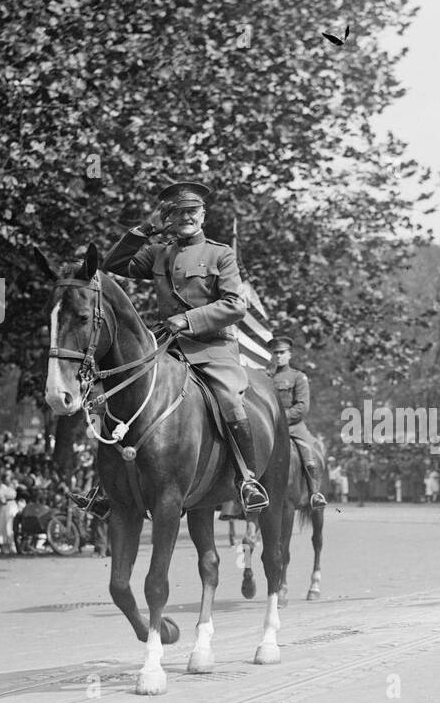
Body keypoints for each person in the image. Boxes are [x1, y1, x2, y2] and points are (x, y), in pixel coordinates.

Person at [101, 178, 268, 513]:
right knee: (114, 397)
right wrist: (147, 228)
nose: (186, 217)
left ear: (203, 215)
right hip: (168, 349)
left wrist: (187, 320)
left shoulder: (220, 254)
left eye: (192, 211)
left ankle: (247, 479)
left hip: (212, 349)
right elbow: (113, 265)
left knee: (230, 402)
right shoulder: (158, 254)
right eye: (177, 212)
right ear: (169, 218)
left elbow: (236, 305)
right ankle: (106, 487)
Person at [267, 334, 327, 508]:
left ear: (289, 354)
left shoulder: (298, 377)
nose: (278, 356)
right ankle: (235, 502)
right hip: (268, 427)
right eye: (275, 352)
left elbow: (302, 407)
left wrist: (279, 418)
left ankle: (314, 493)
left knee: (308, 453)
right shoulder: (265, 378)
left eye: (282, 352)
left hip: (292, 427)